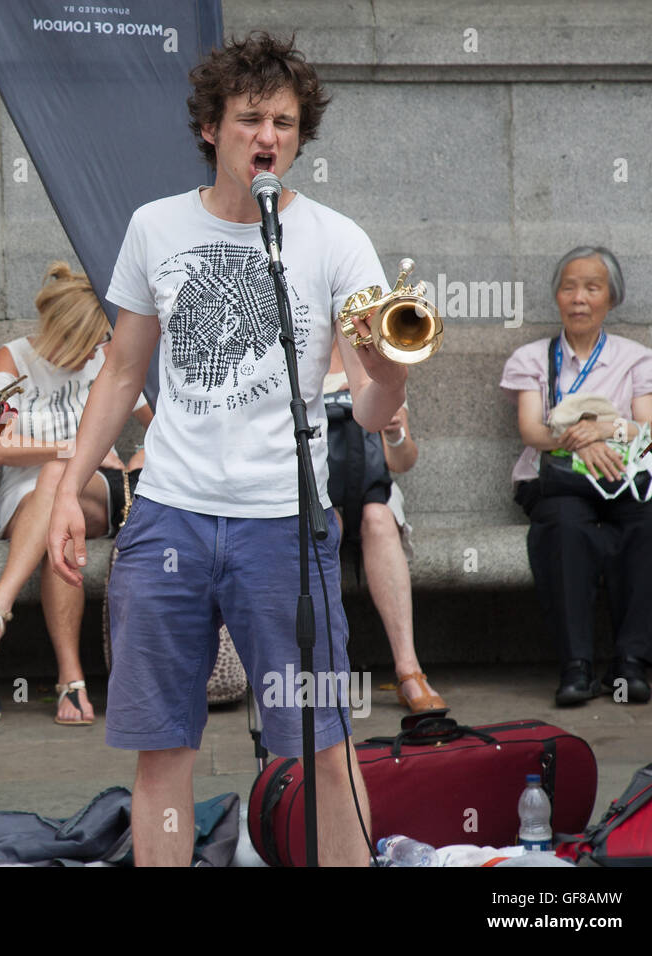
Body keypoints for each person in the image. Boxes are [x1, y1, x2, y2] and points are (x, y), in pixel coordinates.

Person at [48, 32, 408, 866]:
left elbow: (375, 403)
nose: (268, 136)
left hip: (284, 526)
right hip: (168, 516)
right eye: (250, 118)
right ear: (212, 127)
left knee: (320, 741)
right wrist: (70, 489)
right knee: (162, 745)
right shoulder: (154, 226)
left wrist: (388, 370)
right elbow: (120, 372)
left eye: (284, 121)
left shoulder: (336, 240)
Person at [0, 261, 151, 726]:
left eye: (98, 346)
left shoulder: (108, 357)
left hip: (96, 492)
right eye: (85, 347)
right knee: (56, 518)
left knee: (58, 476)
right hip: (28, 504)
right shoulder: (14, 360)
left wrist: (142, 457)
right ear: (57, 333)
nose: (93, 357)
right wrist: (71, 449)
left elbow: (162, 420)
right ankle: (71, 679)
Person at [501, 246, 652, 706]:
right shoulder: (533, 358)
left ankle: (630, 666)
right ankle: (575, 667)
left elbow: (645, 428)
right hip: (557, 480)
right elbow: (534, 431)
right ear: (556, 297)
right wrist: (582, 440)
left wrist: (606, 430)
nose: (578, 298)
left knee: (651, 521)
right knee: (565, 526)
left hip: (621, 477)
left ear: (610, 299)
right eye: (568, 287)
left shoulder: (637, 359)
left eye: (591, 288)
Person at [324, 340, 445, 713]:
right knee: (327, 525)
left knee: (378, 518)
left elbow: (402, 462)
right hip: (312, 490)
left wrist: (393, 432)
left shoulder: (373, 354)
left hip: (370, 487)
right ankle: (322, 674)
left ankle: (409, 670)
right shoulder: (288, 350)